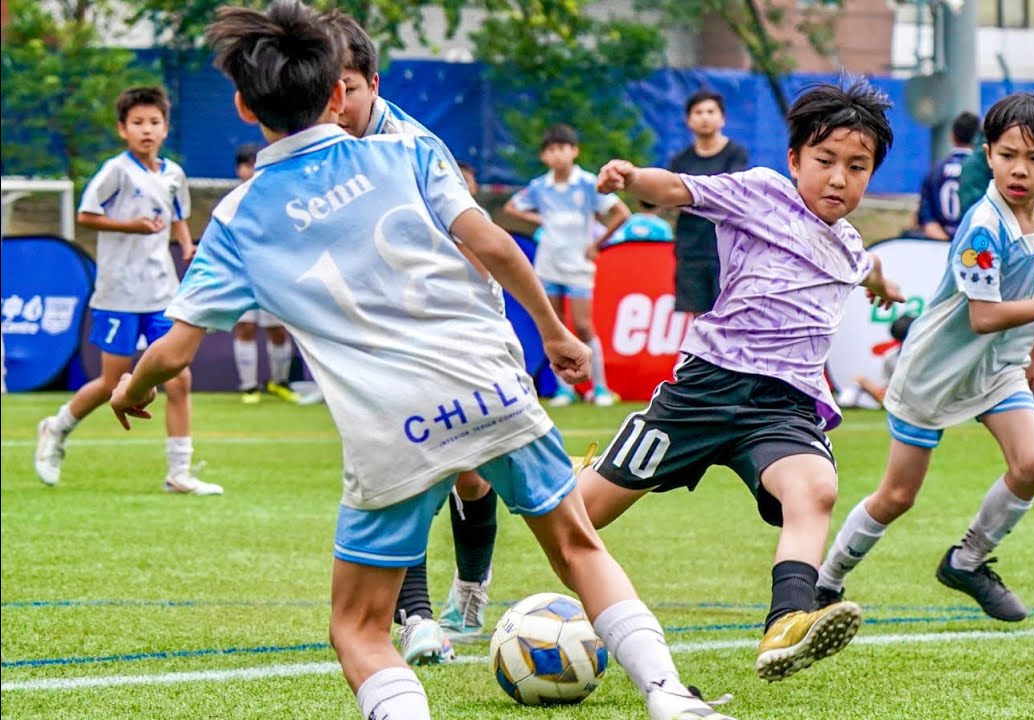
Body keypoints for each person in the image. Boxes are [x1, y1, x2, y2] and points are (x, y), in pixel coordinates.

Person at [110, 5, 736, 720]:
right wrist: (555, 331)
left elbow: (177, 347)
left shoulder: (239, 217)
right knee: (577, 547)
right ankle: (669, 695)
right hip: (491, 386)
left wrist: (136, 386)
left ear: (244, 106)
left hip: (392, 427)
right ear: (335, 93)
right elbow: (498, 247)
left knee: (357, 628)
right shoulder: (406, 150)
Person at [582, 80, 904, 683]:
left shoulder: (853, 247)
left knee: (815, 490)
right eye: (825, 161)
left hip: (782, 406)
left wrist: (885, 287)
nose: (839, 178)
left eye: (856, 167)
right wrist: (630, 179)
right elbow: (678, 189)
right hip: (706, 391)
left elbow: (869, 270)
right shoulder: (760, 192)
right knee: (579, 515)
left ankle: (787, 622)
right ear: (795, 160)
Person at [816, 92, 1034, 625]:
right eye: (1008, 154)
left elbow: (1031, 283)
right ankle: (825, 581)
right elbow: (984, 316)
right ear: (987, 154)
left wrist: (1032, 353)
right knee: (898, 496)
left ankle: (966, 562)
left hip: (997, 369)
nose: (1020, 169)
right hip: (937, 372)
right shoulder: (982, 227)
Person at [326, 9, 500, 665]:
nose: (335, 103)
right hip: (382, 334)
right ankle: (418, 619)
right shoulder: (320, 143)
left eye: (347, 86)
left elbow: (474, 241)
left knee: (470, 476)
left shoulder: (412, 149)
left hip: (454, 320)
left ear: (373, 81)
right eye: (325, 88)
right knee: (408, 465)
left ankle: (471, 593)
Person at [32, 86, 221, 496]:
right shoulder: (115, 171)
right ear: (122, 129)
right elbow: (86, 214)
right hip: (118, 293)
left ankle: (179, 473)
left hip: (160, 293)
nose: (146, 130)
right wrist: (129, 226)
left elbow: (177, 216)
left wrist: (187, 246)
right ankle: (57, 426)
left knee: (180, 379)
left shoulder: (172, 174)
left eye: (154, 122)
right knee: (110, 384)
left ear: (166, 128)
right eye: (137, 123)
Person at [503, 124, 630, 407]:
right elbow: (511, 208)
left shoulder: (587, 183)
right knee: (555, 325)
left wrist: (598, 244)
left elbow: (622, 213)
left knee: (584, 326)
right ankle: (564, 390)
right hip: (548, 263)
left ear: (574, 151)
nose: (557, 155)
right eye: (551, 150)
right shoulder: (539, 187)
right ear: (544, 156)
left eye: (563, 148)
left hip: (578, 265)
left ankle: (599, 389)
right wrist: (541, 221)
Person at [229, 141, 301, 404]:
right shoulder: (231, 203)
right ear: (239, 170)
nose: (251, 170)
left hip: (274, 277)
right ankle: (249, 387)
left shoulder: (279, 199)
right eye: (246, 165)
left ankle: (279, 382)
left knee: (278, 330)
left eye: (255, 164)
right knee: (245, 327)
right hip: (243, 277)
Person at [667, 89, 750, 315]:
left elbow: (729, 195)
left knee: (727, 316)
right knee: (699, 320)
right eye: (698, 112)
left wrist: (690, 196)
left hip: (726, 250)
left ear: (722, 118)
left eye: (711, 111)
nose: (705, 117)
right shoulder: (680, 160)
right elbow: (664, 198)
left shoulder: (736, 154)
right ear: (688, 120)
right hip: (690, 249)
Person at [918, 111, 980, 241]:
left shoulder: (934, 171)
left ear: (951, 136)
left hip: (940, 244)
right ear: (979, 138)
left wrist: (944, 240)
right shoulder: (984, 172)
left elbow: (927, 219)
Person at [603, 200, 674, 248]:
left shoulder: (629, 221)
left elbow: (616, 242)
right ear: (659, 205)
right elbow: (668, 247)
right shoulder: (663, 226)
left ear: (639, 203)